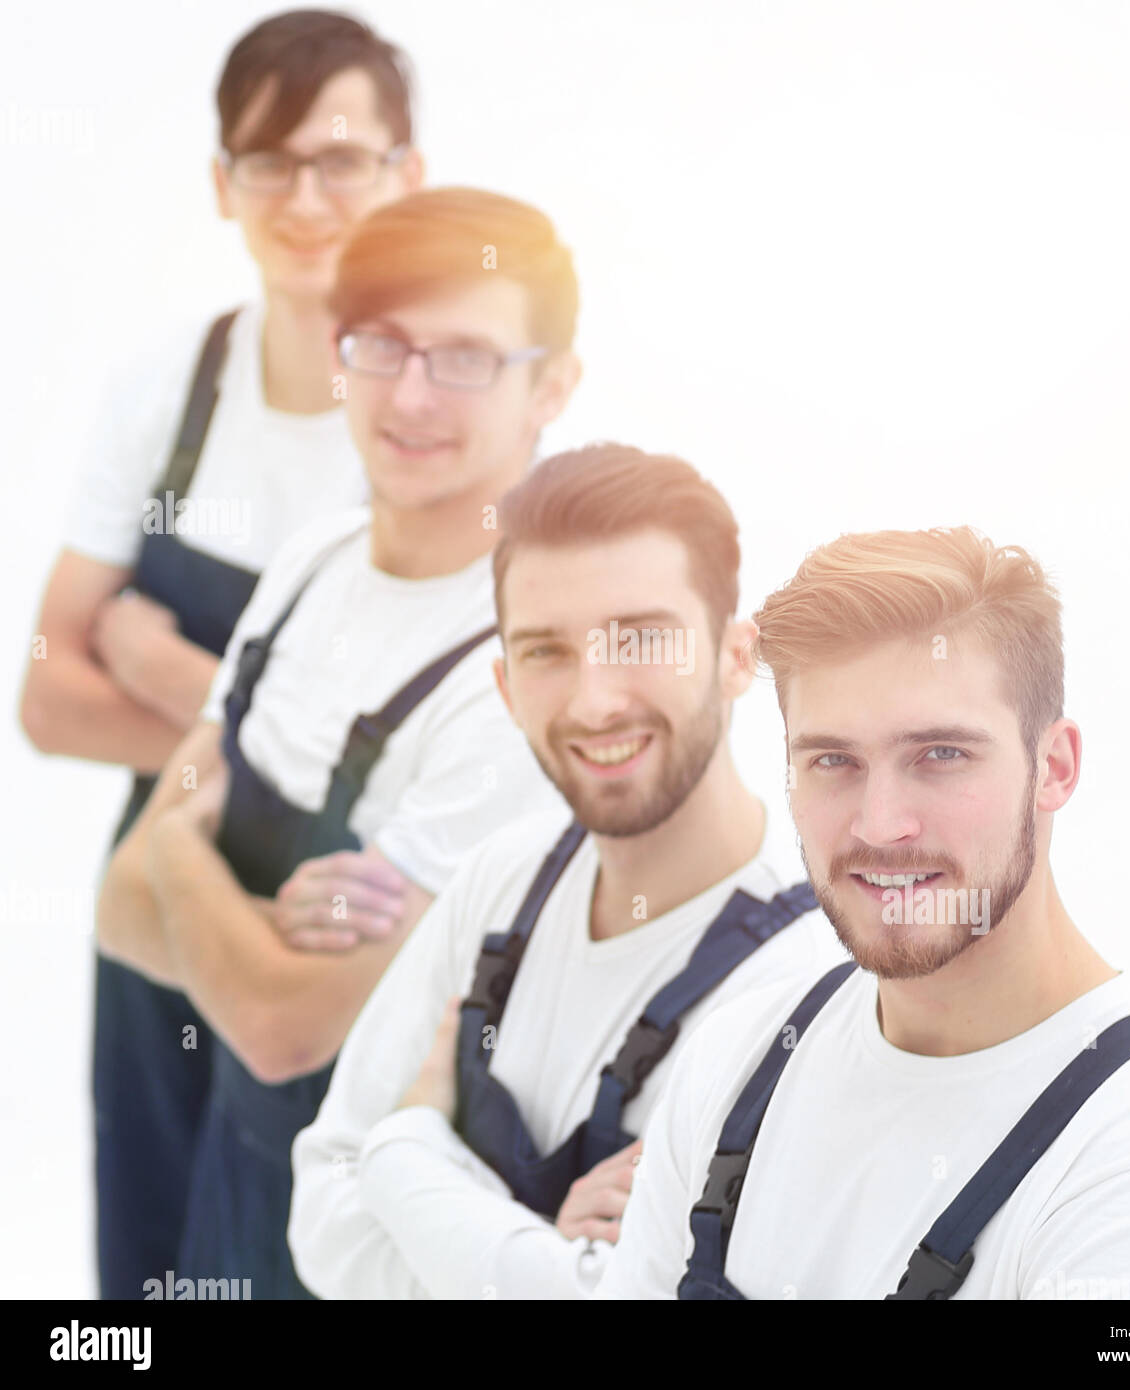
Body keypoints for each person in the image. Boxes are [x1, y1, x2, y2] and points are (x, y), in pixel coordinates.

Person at [95, 185, 581, 1299]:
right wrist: (244, 926)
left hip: (383, 1231)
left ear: (552, 385)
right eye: (382, 347)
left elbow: (283, 1026)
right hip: (235, 1174)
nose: (410, 394)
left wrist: (180, 851)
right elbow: (117, 913)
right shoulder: (314, 560)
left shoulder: (521, 667)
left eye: (465, 357)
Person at [595, 526, 1130, 1300]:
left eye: (940, 755)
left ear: (1054, 768)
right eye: (833, 761)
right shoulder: (736, 1062)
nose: (880, 824)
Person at [18, 9, 423, 1300]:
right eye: (268, 161)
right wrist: (266, 741)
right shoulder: (170, 386)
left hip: (342, 927)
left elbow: (439, 745)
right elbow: (43, 695)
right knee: (145, 1272)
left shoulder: (432, 416)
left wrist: (171, 673)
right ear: (220, 184)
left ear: (406, 174)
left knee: (299, 1252)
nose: (306, 197)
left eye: (342, 158)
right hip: (159, 898)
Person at [287, 443, 848, 1299]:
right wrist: (543, 1250)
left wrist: (409, 1151)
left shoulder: (808, 991)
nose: (596, 701)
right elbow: (322, 1214)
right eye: (549, 652)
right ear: (507, 687)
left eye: (643, 638)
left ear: (738, 658)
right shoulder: (499, 883)